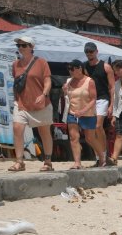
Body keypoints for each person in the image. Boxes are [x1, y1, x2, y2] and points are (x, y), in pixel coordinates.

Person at [8, 34, 54, 172]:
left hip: (41, 104)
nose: (20, 48)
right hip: (22, 103)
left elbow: (48, 81)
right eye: (19, 45)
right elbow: (17, 83)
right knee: (17, 128)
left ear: (31, 47)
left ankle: (48, 161)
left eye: (24, 45)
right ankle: (19, 161)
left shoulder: (41, 62)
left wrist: (44, 94)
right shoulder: (15, 64)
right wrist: (16, 98)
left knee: (44, 132)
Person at [63, 60, 108, 168]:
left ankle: (102, 156)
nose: (70, 71)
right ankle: (77, 162)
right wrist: (64, 91)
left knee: (90, 138)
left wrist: (83, 111)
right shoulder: (69, 81)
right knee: (74, 138)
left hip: (87, 113)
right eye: (69, 69)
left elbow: (93, 99)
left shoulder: (89, 81)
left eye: (72, 69)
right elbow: (69, 97)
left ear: (79, 68)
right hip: (72, 112)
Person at [83, 42, 115, 164]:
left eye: (91, 51)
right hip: (90, 100)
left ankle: (104, 154)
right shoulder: (84, 67)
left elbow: (112, 87)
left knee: (97, 126)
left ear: (96, 51)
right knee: (91, 130)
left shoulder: (106, 67)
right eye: (87, 52)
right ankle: (100, 157)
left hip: (102, 98)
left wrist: (111, 105)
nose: (89, 54)